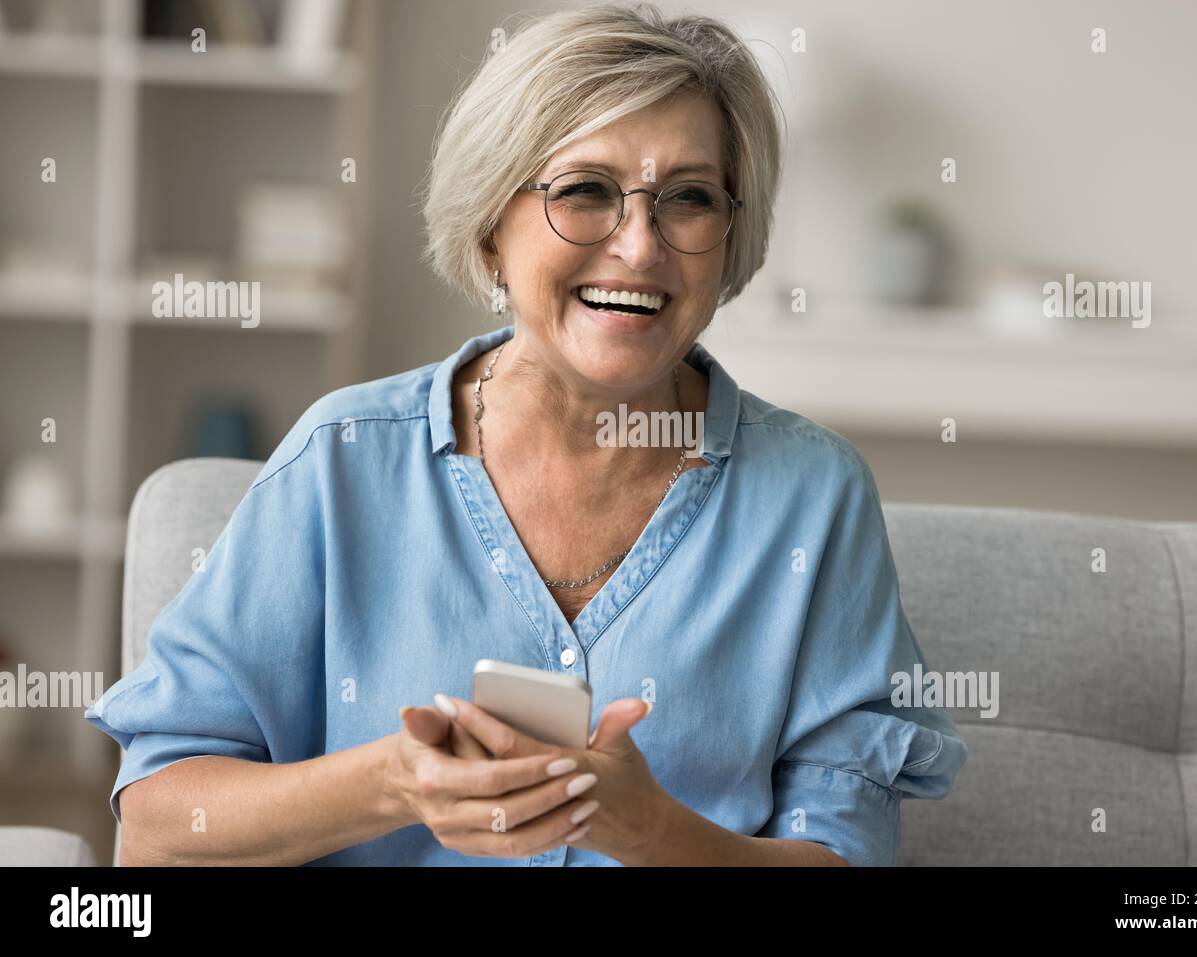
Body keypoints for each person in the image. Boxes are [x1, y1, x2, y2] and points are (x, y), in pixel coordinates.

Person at [86, 1, 966, 866]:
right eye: (585, 190)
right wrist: (396, 781)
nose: (639, 248)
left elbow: (843, 854)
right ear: (490, 227)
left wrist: (646, 829)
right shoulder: (343, 461)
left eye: (688, 199)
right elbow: (161, 822)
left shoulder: (814, 499)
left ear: (730, 239)